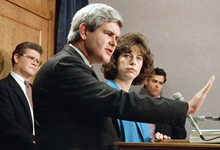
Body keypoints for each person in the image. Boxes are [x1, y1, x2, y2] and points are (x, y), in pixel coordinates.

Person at [32, 3, 215, 150]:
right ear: (84, 31)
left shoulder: (77, 65)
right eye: (109, 34)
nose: (114, 43)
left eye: (117, 37)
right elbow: (115, 100)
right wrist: (184, 108)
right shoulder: (66, 64)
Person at [102, 32, 171, 142]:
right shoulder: (104, 94)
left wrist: (155, 143)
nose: (133, 62)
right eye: (127, 56)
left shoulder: (138, 103)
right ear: (115, 59)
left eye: (139, 58)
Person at [0, 41, 43, 150]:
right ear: (17, 58)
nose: (35, 63)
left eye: (38, 61)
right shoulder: (3, 87)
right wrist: (33, 140)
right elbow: (7, 123)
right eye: (31, 58)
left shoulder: (35, 90)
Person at [144, 68, 187, 139]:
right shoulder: (136, 104)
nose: (157, 85)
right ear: (146, 82)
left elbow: (181, 136)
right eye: (155, 81)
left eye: (160, 83)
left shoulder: (170, 107)